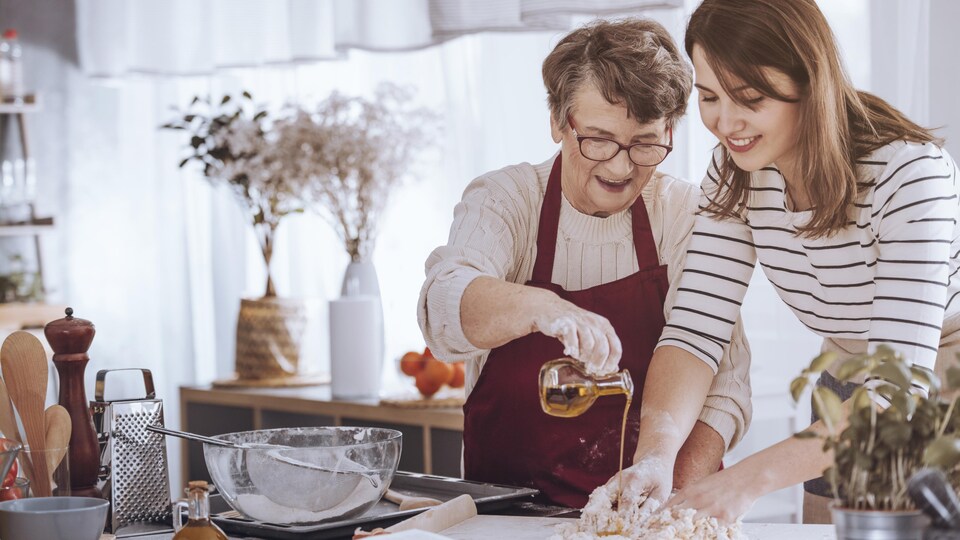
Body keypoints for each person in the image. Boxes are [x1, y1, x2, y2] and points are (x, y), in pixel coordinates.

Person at [614, 0, 960, 524]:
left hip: (937, 387)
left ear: (809, 83)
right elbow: (694, 332)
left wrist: (746, 479)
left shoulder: (909, 173)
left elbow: (896, 390)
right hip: (846, 387)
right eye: (708, 97)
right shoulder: (735, 171)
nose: (725, 123)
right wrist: (657, 454)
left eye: (749, 98)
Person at [417, 18, 752, 509]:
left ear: (670, 130)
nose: (620, 167)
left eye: (644, 143)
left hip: (653, 517)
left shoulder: (685, 214)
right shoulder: (507, 199)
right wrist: (540, 307)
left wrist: (666, 503)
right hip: (512, 520)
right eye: (598, 139)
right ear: (558, 120)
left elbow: (724, 387)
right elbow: (442, 311)